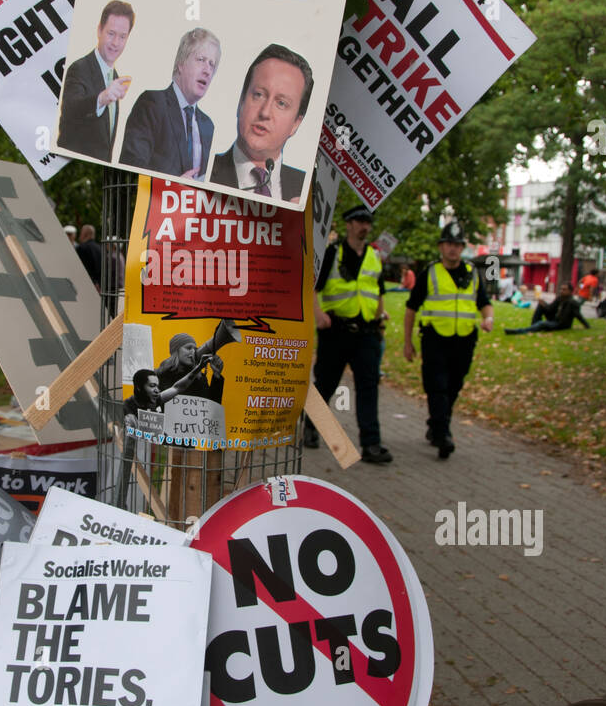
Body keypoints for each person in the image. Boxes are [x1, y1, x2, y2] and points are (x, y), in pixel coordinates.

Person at [305, 203, 392, 464]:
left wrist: (380, 319)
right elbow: (312, 287)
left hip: (366, 332)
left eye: (368, 222)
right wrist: (318, 315)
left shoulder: (374, 256)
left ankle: (371, 444)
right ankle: (311, 426)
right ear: (349, 225)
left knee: (368, 385)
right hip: (336, 330)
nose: (365, 227)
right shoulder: (333, 252)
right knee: (327, 383)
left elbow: (378, 292)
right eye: (360, 222)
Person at [404, 220, 494, 458]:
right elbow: (411, 308)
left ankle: (436, 426)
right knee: (437, 386)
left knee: (454, 386)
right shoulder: (430, 273)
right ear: (440, 247)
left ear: (462, 247)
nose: (452, 249)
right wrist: (407, 341)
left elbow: (484, 303)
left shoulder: (472, 273)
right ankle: (444, 435)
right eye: (448, 244)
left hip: (464, 340)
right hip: (435, 339)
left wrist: (489, 319)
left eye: (457, 244)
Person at [209, 43, 311, 203]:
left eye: (281, 103)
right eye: (258, 95)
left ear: (296, 124)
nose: (265, 112)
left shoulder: (308, 191)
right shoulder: (199, 172)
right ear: (241, 101)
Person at [119, 28, 219, 178]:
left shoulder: (208, 126)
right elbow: (130, 166)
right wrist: (172, 187)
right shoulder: (152, 104)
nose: (207, 70)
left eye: (212, 64)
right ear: (181, 63)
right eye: (201, 60)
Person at [56, 0, 135, 161]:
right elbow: (71, 109)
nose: (115, 43)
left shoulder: (115, 78)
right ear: (99, 30)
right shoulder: (79, 68)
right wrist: (101, 99)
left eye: (122, 37)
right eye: (111, 33)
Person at [156, 332, 225, 404]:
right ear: (176, 351)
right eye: (188, 348)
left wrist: (216, 376)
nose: (193, 351)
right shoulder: (160, 375)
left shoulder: (199, 378)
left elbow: (212, 406)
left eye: (195, 349)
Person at [505, 282, 590, 335]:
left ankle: (519, 331)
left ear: (570, 291)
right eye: (561, 289)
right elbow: (550, 309)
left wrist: (587, 326)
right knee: (541, 305)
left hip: (561, 324)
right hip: (554, 319)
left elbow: (579, 316)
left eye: (564, 290)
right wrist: (543, 304)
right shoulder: (559, 298)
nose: (562, 291)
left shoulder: (572, 303)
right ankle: (534, 326)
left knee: (542, 323)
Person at [75, 223, 102, 289]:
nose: (80, 235)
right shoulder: (100, 248)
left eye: (81, 233)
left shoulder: (81, 248)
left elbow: (80, 268)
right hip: (100, 285)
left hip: (86, 284)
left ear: (85, 234)